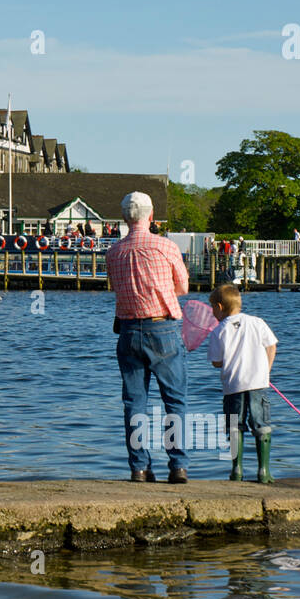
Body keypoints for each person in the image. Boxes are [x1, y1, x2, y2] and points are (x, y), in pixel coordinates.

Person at [105, 191, 190, 484]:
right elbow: (183, 287)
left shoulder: (114, 252)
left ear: (125, 219)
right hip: (163, 328)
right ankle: (178, 466)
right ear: (151, 216)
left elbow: (116, 286)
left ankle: (139, 468)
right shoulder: (166, 247)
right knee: (174, 401)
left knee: (134, 403)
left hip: (128, 331)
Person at [207, 283, 278, 483]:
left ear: (220, 307)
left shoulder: (218, 331)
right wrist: (266, 371)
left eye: (212, 308)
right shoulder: (257, 322)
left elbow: (216, 362)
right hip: (258, 383)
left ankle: (236, 470)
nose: (212, 313)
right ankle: (264, 471)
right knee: (261, 424)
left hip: (233, 386)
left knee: (234, 425)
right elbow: (271, 346)